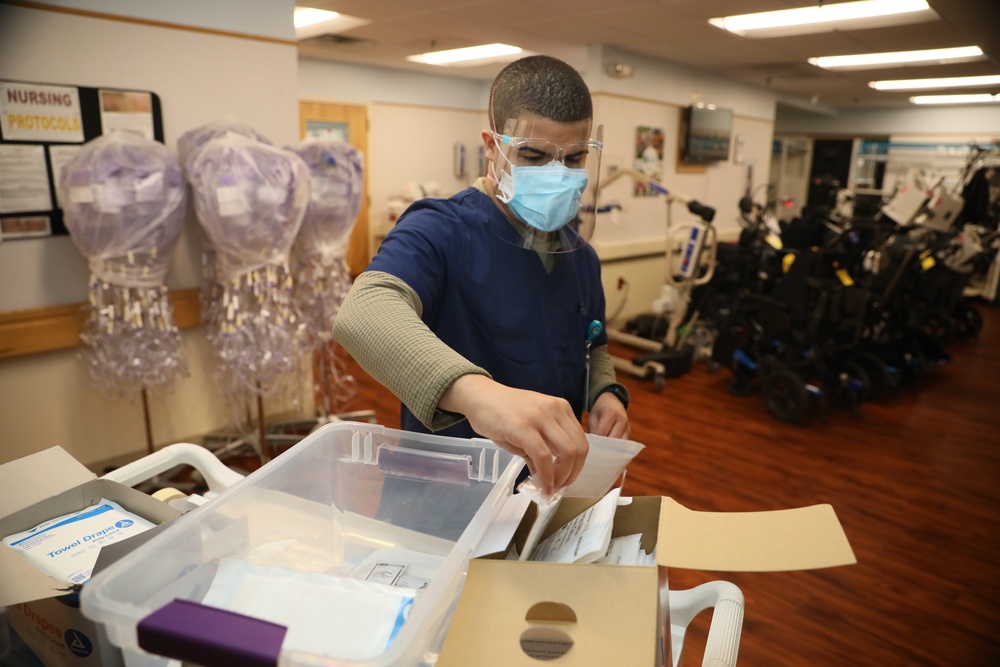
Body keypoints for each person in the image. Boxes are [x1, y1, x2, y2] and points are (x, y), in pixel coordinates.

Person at [333, 55, 630, 496]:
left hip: (543, 487)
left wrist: (604, 392)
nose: (556, 176)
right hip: (445, 496)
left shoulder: (580, 255)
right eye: (534, 156)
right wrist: (479, 396)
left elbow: (592, 343)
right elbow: (365, 311)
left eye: (574, 159)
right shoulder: (441, 229)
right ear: (492, 146)